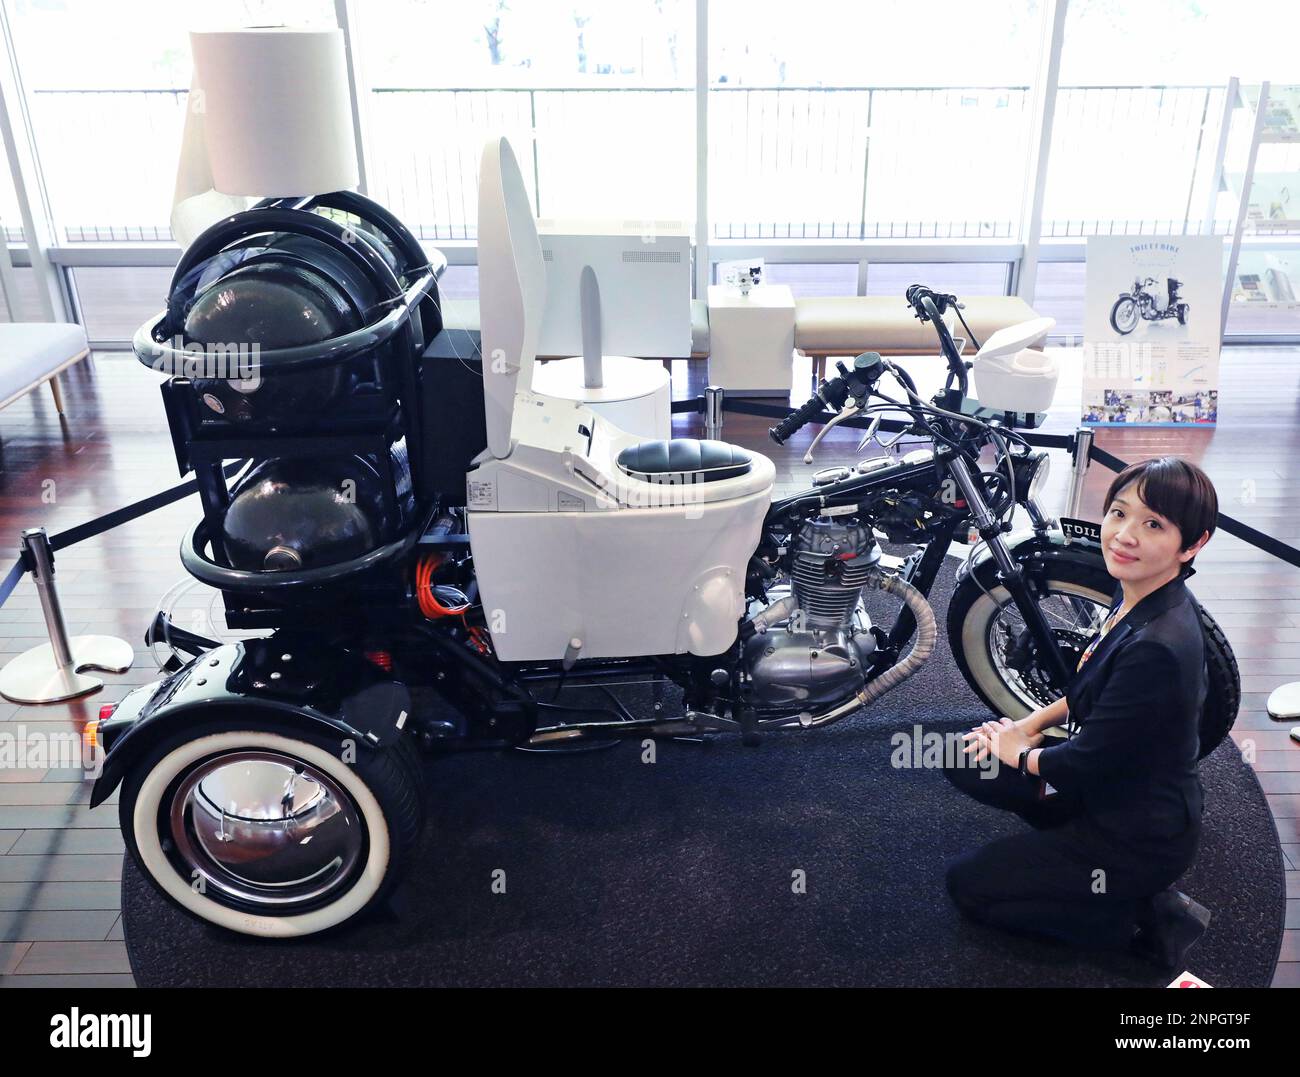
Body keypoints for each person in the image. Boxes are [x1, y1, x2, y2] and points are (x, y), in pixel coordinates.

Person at [942, 456, 1219, 971]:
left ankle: (1140, 921)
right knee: (966, 759)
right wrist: (1029, 725)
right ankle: (1073, 862)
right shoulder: (1139, 589)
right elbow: (1093, 686)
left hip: (1136, 833)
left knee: (970, 889)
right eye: (1119, 513)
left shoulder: (1161, 647)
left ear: (1193, 543)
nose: (1123, 536)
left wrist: (1020, 755)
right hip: (1110, 786)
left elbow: (1080, 763)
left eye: (1153, 524)